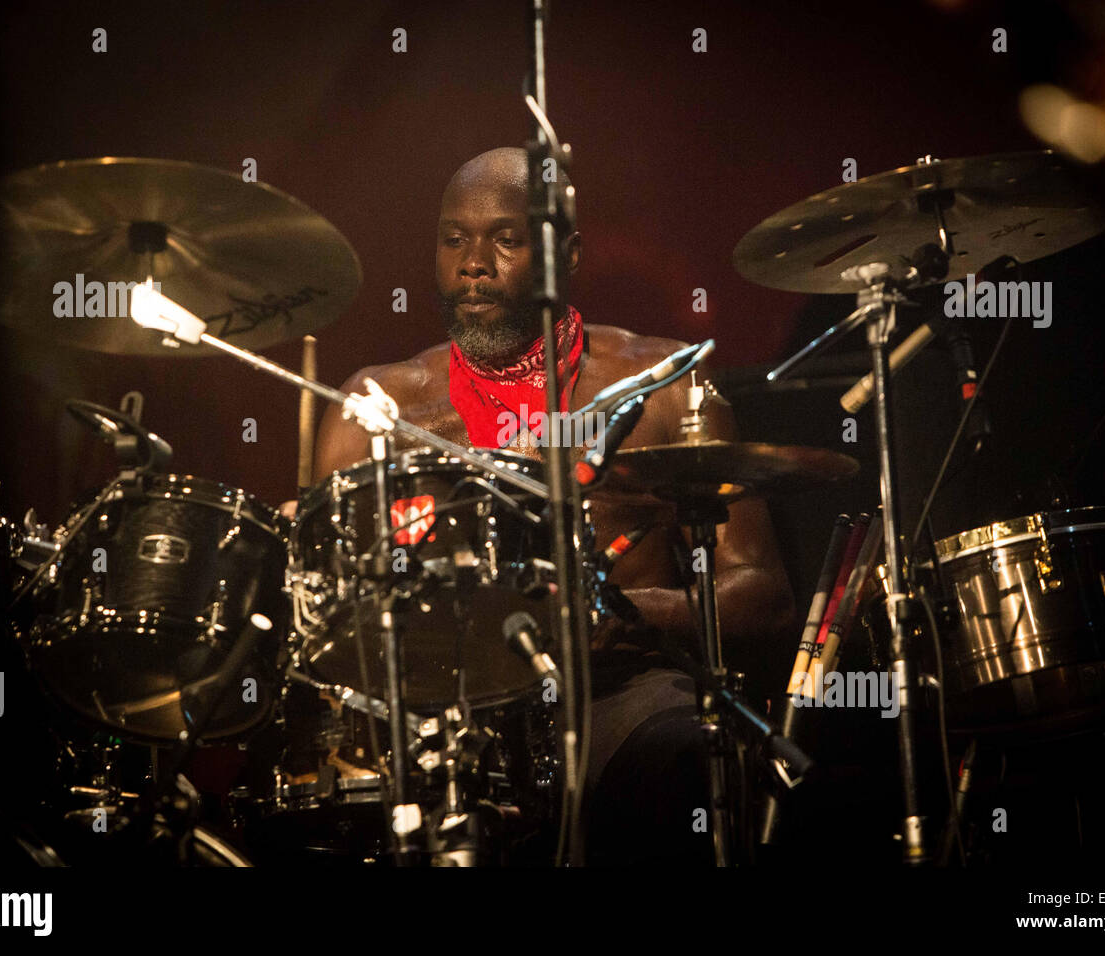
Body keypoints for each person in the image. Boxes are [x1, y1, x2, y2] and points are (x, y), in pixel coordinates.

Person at [311, 147, 794, 863]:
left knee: (686, 755)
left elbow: (765, 593)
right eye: (453, 240)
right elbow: (323, 608)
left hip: (620, 696)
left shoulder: (662, 386)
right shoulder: (374, 407)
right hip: (444, 720)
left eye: (505, 239)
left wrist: (630, 615)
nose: (473, 264)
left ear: (565, 255)